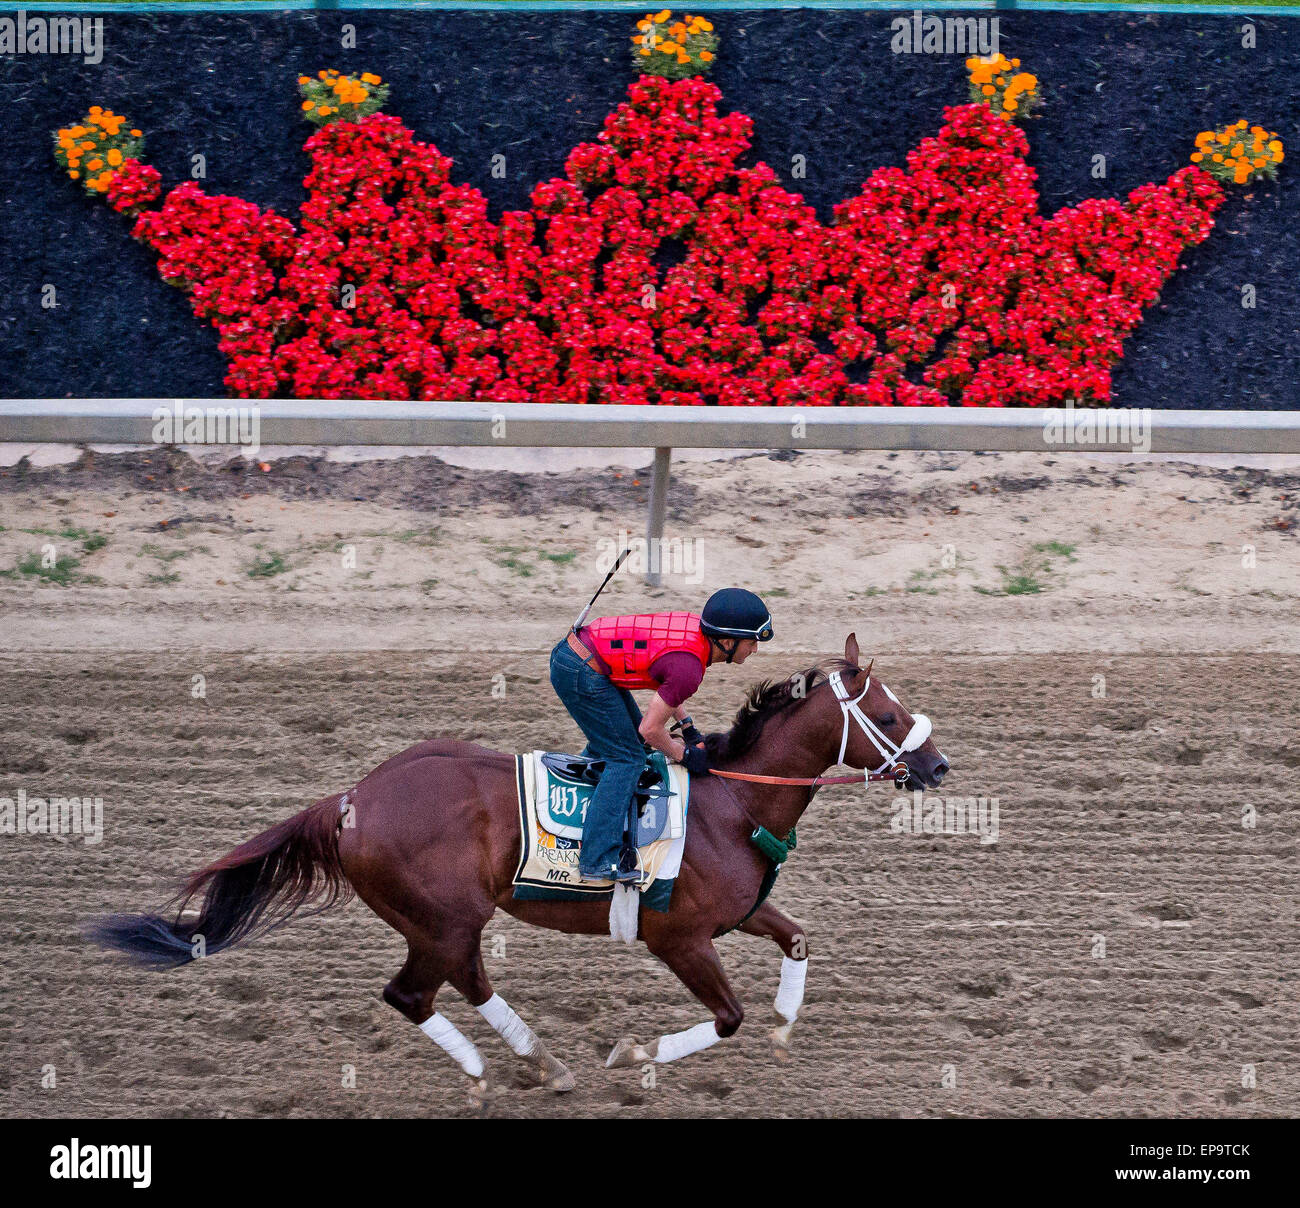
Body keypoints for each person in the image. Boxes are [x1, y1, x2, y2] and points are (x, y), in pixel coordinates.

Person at [548, 588, 774, 882]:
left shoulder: (695, 633)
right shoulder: (690, 667)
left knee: (627, 746)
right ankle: (596, 859)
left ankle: (586, 804)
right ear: (728, 642)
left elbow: (667, 681)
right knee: (627, 759)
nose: (755, 649)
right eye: (752, 642)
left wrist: (688, 728)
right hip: (581, 669)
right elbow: (651, 729)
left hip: (584, 657)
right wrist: (685, 755)